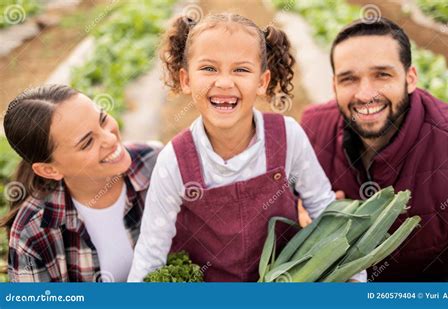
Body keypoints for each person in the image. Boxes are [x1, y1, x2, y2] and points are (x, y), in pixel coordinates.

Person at [127, 13, 364, 282]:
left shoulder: (288, 136)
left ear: (262, 82)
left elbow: (324, 208)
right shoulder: (174, 161)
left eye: (241, 69)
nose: (225, 82)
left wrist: (355, 278)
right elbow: (150, 252)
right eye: (208, 68)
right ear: (186, 79)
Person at [301, 17, 448, 281]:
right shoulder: (312, 128)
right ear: (334, 85)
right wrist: (299, 215)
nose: (365, 94)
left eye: (382, 74)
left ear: (411, 78)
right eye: (349, 79)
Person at [1, 85, 162, 282]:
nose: (110, 138)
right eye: (87, 143)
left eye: (102, 120)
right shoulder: (31, 233)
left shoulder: (156, 162)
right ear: (50, 170)